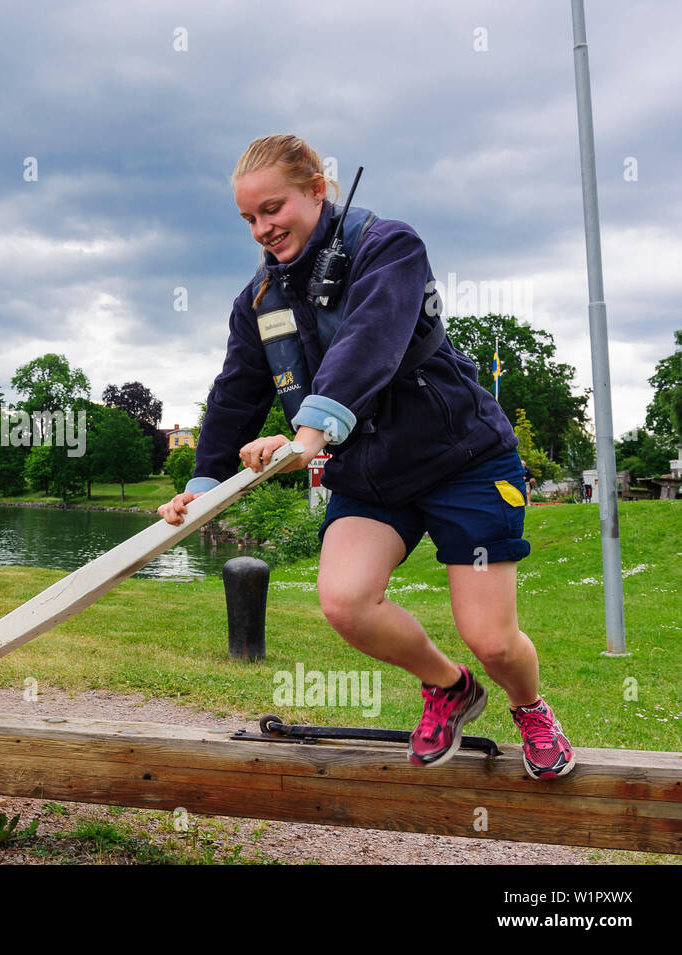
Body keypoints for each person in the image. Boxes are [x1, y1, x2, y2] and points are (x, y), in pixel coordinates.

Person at [159, 134, 574, 780]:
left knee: (491, 637)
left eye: (273, 209)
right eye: (249, 218)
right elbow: (236, 391)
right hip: (373, 470)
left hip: (460, 455)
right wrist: (204, 483)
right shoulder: (260, 300)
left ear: (317, 190)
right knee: (345, 600)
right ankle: (449, 687)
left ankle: (531, 707)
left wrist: (308, 434)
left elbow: (370, 340)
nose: (262, 229)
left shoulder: (390, 247)